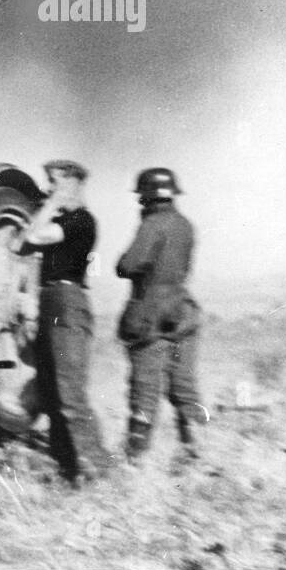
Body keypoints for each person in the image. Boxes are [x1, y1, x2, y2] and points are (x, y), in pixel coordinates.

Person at [17, 160, 116, 483]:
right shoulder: (66, 218)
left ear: (74, 183)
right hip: (51, 301)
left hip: (68, 301)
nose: (47, 188)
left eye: (54, 182)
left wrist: (52, 205)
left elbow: (33, 235)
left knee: (69, 392)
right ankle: (68, 470)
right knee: (50, 391)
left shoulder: (81, 220)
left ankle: (98, 470)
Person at [116, 167, 203, 462]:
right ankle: (195, 449)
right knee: (184, 385)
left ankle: (135, 459)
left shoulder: (152, 225)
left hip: (148, 314)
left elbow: (129, 265)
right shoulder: (186, 225)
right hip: (182, 310)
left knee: (145, 388)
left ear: (147, 197)